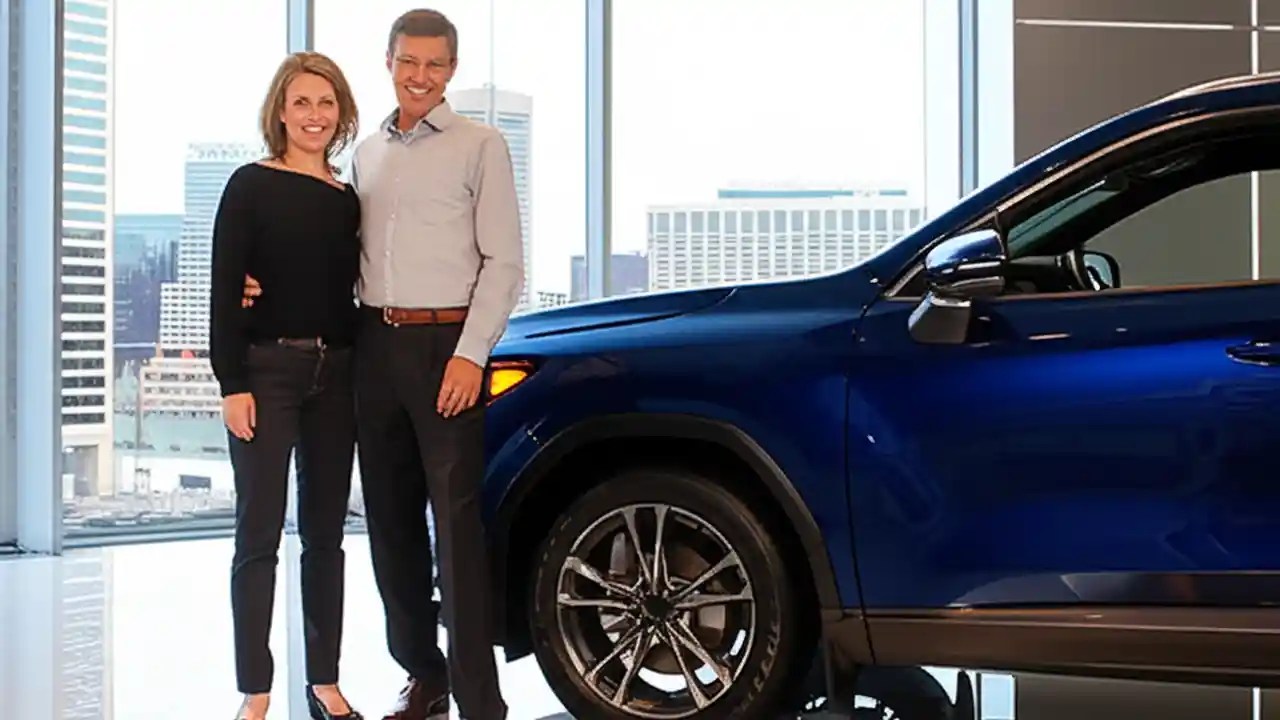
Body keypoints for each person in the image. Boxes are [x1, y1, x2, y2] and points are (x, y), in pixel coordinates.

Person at [243, 9, 523, 720]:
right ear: (389, 62)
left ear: (452, 69)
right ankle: (423, 674)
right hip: (373, 347)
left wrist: (470, 355)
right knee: (392, 527)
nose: (420, 76)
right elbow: (328, 253)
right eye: (408, 62)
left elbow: (505, 264)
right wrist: (257, 284)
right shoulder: (364, 157)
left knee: (455, 529)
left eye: (434, 64)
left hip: (446, 350)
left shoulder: (481, 146)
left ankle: (480, 700)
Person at [211, 51, 364, 720]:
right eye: (301, 103)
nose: (314, 115)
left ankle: (325, 682)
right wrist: (232, 382)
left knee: (326, 536)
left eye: (325, 104)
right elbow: (224, 288)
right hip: (266, 375)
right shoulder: (249, 185)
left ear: (341, 114)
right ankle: (256, 690)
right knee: (258, 537)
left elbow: (349, 291)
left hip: (338, 377)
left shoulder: (347, 198)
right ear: (280, 110)